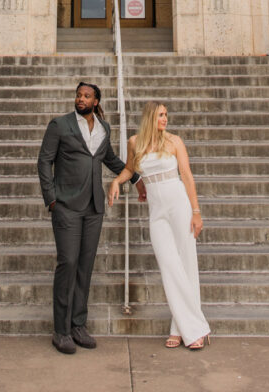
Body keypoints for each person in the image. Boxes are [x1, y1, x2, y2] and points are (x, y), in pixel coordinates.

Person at [37, 80, 146, 355]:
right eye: (78, 95)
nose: (81, 99)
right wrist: (52, 200)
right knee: (68, 263)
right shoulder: (59, 125)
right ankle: (60, 331)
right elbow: (44, 162)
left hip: (94, 208)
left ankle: (78, 325)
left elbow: (110, 159)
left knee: (85, 266)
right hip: (66, 206)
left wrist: (135, 178)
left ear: (96, 101)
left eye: (86, 96)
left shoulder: (103, 129)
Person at [108, 100, 210, 350]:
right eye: (161, 115)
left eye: (166, 114)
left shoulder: (174, 142)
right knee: (169, 267)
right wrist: (116, 182)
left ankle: (184, 328)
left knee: (186, 265)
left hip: (180, 206)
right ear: (150, 118)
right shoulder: (135, 143)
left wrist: (196, 211)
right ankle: (190, 326)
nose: (165, 119)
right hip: (157, 212)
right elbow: (131, 170)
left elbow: (186, 176)